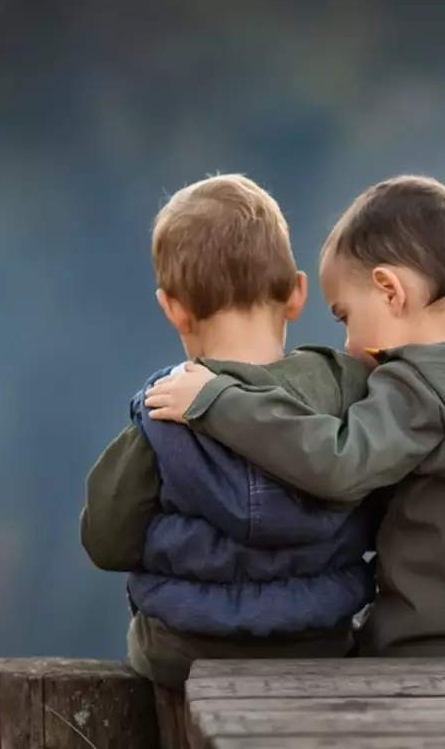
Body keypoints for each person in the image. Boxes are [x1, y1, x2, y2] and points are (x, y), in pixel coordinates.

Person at [145, 174, 445, 658]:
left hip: (429, 650)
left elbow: (338, 465)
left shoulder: (416, 388)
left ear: (389, 290)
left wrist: (217, 401)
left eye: (345, 316)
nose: (349, 345)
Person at [80, 173, 378, 690]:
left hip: (185, 657)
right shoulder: (350, 397)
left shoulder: (163, 412)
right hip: (321, 646)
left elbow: (105, 541)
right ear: (297, 294)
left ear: (171, 307)